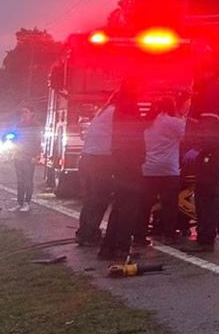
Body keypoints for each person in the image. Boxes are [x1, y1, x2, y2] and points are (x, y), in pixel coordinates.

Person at [181, 75, 219, 253]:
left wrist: (196, 148)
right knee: (211, 195)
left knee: (204, 195)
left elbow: (201, 130)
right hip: (216, 156)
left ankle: (205, 236)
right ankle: (207, 234)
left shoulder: (203, 104)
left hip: (206, 156)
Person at [98, 81, 148, 260]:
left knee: (119, 205)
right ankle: (122, 247)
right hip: (129, 161)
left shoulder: (117, 108)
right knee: (129, 207)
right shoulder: (129, 108)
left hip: (120, 160)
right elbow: (135, 133)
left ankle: (108, 247)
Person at [138, 95, 186, 245]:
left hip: (148, 168)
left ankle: (139, 235)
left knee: (145, 204)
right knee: (169, 204)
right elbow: (186, 135)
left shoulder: (147, 123)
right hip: (168, 169)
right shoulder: (173, 122)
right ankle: (169, 234)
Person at [76, 96, 116, 245]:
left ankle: (84, 232)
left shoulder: (102, 111)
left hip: (87, 158)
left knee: (90, 198)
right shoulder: (115, 112)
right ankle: (90, 233)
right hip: (100, 161)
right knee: (100, 199)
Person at [8, 106, 42, 212]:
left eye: (26, 112)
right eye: (22, 112)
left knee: (28, 180)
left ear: (32, 113)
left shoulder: (35, 125)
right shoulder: (19, 125)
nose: (24, 114)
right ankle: (20, 202)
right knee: (20, 181)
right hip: (19, 155)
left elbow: (37, 141)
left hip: (28, 156)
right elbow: (15, 138)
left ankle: (27, 202)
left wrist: (35, 155)